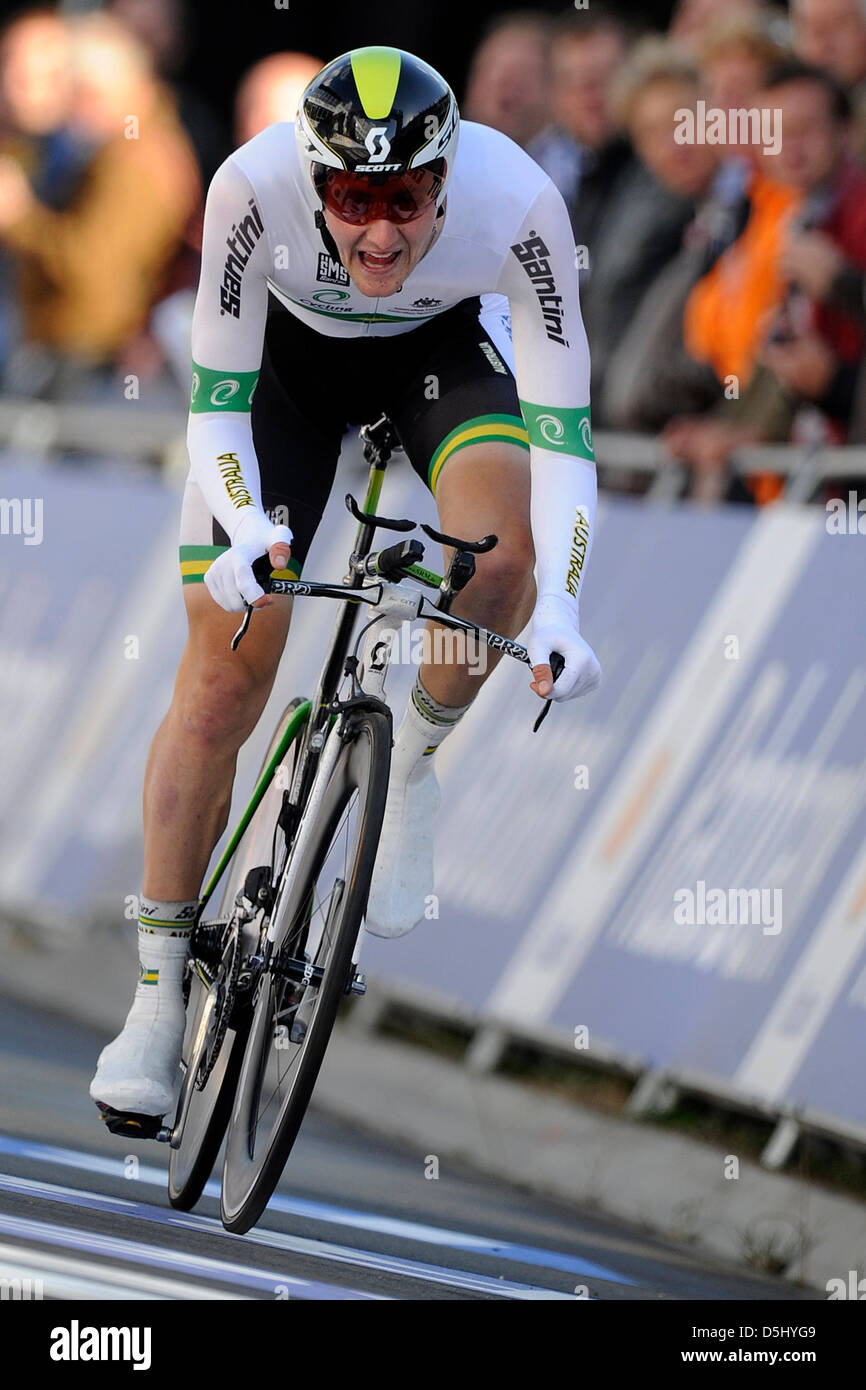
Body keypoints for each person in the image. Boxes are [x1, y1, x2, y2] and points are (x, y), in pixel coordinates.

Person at [89, 46, 602, 1125]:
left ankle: (407, 763)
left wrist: (558, 602)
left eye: (407, 202)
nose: (380, 233)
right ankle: (153, 1001)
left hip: (438, 356)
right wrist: (240, 529)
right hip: (285, 371)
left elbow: (564, 445)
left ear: (446, 183)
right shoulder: (247, 185)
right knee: (226, 672)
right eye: (354, 200)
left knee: (498, 557)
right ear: (314, 179)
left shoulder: (517, 202)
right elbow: (217, 408)